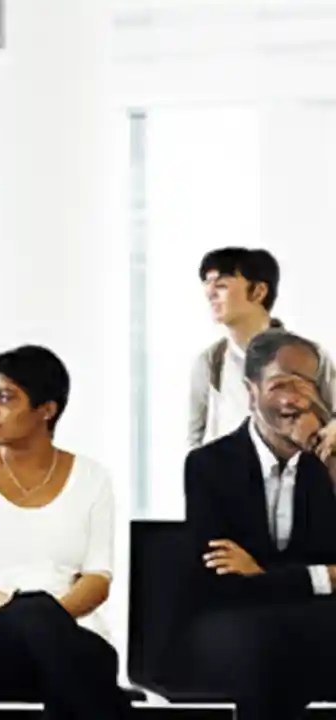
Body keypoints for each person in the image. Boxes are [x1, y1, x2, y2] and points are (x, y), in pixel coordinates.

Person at [0, 345, 128, 719]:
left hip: (79, 637)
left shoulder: (92, 479)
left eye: (4, 397)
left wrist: (45, 616)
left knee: (59, 639)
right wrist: (23, 612)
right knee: (39, 617)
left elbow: (97, 579)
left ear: (47, 409)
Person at [162, 329, 336, 720]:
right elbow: (222, 580)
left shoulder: (325, 464)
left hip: (311, 623)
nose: (296, 399)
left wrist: (261, 573)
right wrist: (321, 577)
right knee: (265, 643)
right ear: (251, 391)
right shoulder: (209, 466)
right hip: (227, 622)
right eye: (280, 386)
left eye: (308, 386)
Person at [189, 247, 336, 462]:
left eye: (221, 285)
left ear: (258, 291)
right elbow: (195, 442)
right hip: (233, 486)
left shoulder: (309, 357)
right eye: (207, 284)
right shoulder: (211, 362)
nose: (210, 293)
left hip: (299, 485)